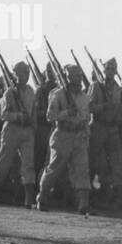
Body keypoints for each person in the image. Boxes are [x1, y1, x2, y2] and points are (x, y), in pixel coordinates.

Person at [36, 64, 92, 215]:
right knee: (54, 168)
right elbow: (50, 116)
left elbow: (86, 118)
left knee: (82, 168)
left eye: (80, 75)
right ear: (68, 77)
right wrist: (67, 113)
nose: (79, 78)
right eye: (75, 75)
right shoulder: (58, 94)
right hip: (62, 134)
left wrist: (86, 133)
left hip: (79, 135)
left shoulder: (84, 97)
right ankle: (42, 197)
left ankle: (84, 204)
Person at [0, 60, 36, 207]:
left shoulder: (30, 91)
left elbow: (32, 111)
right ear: (16, 75)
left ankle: (29, 198)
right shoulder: (9, 93)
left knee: (28, 164)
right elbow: (3, 114)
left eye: (27, 73)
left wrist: (32, 126)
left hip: (26, 130)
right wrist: (18, 116)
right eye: (22, 73)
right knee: (3, 162)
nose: (26, 76)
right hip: (12, 129)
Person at [87, 58, 122, 209]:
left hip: (112, 129)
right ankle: (86, 195)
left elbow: (121, 110)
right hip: (98, 126)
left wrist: (118, 117)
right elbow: (89, 107)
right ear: (103, 70)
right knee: (93, 162)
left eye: (113, 68)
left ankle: (118, 198)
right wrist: (104, 106)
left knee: (117, 163)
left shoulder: (118, 89)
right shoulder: (96, 86)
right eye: (108, 68)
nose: (111, 71)